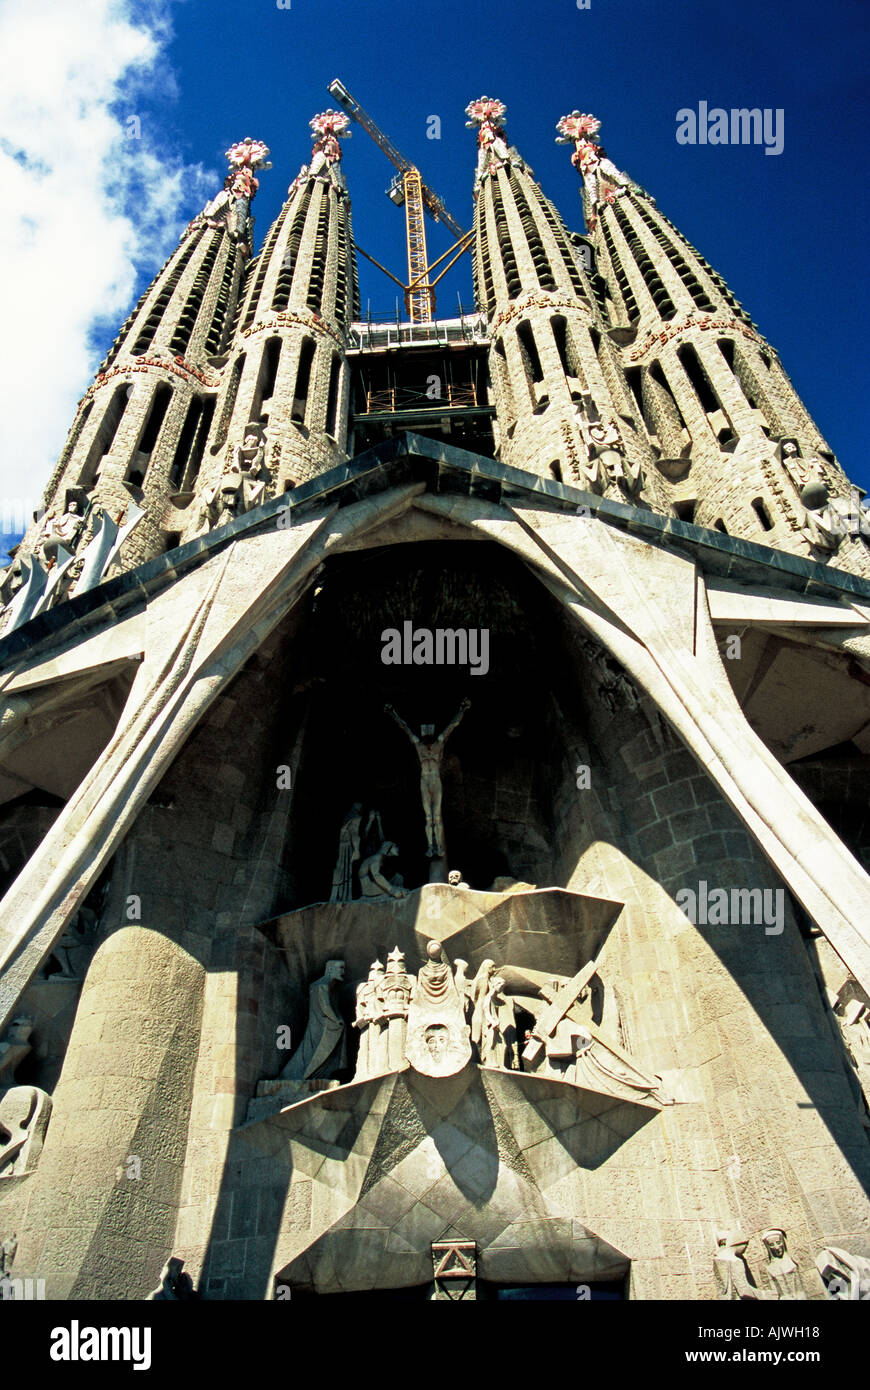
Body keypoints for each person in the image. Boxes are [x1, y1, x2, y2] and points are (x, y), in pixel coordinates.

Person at [384, 699, 470, 857]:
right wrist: (392, 713)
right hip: (425, 781)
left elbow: (452, 726)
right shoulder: (420, 746)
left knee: (436, 816)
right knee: (429, 817)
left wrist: (462, 710)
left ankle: (439, 847)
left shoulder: (438, 744)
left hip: (435, 781)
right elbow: (405, 728)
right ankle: (431, 846)